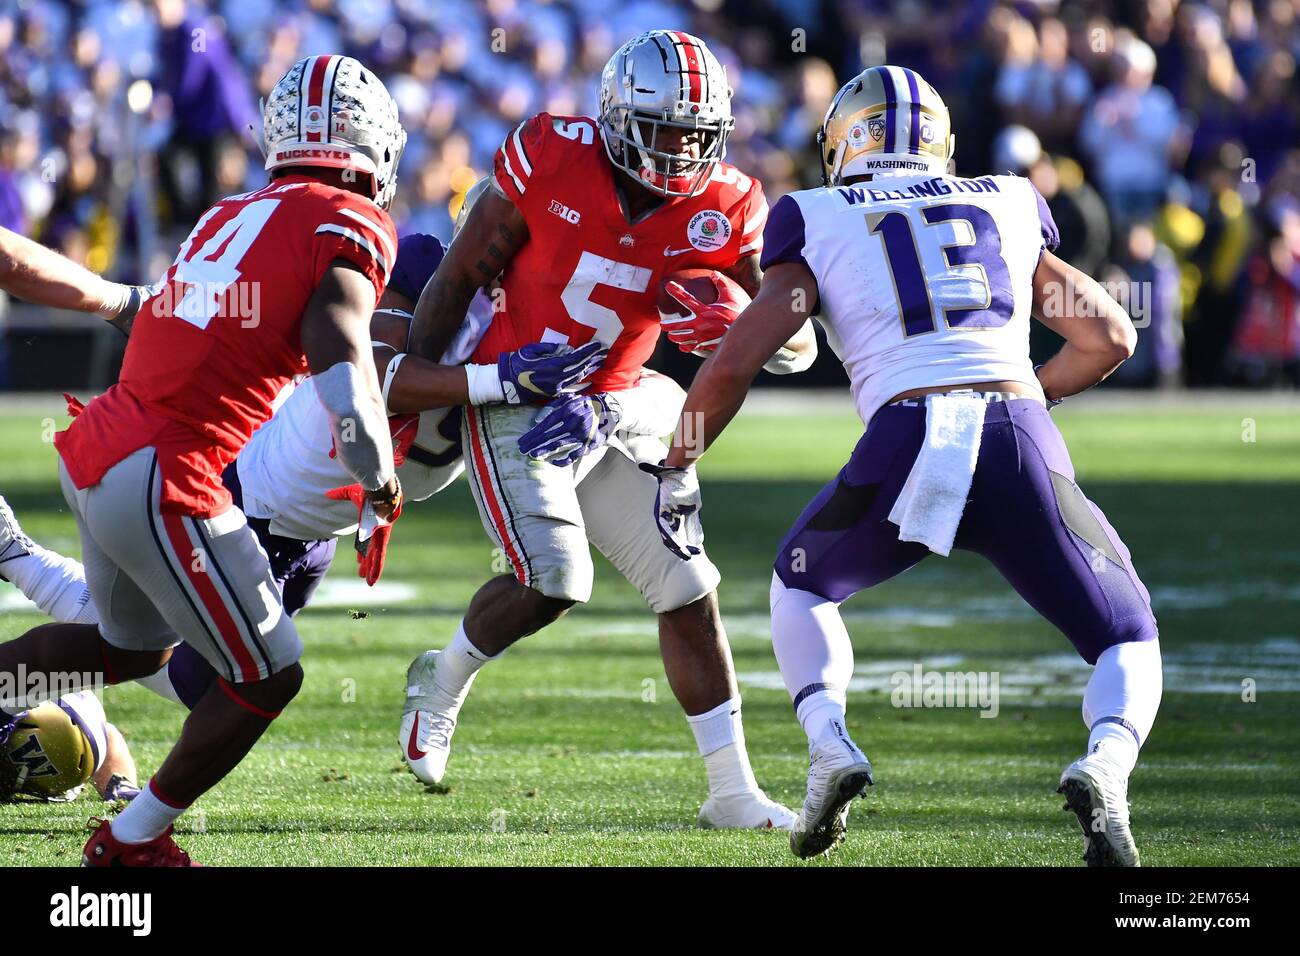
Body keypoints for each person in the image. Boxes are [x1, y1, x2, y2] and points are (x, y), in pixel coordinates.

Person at [649, 65, 1162, 863]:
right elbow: (1111, 337)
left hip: (907, 436)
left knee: (803, 584)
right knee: (1127, 634)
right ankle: (1107, 770)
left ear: (843, 142)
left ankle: (830, 745)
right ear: (940, 144)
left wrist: (676, 462)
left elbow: (732, 365)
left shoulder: (814, 213)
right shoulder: (1005, 197)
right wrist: (1028, 399)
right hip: (1017, 435)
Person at [0, 54, 411, 867]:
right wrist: (377, 471)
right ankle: (132, 841)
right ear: (374, 145)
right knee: (269, 675)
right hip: (165, 469)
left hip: (99, 446)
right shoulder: (351, 221)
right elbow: (337, 347)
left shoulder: (229, 214)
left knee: (130, 649)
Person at [400, 30, 818, 830]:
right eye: (665, 127)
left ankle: (730, 792)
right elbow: (457, 275)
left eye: (698, 131)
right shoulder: (550, 154)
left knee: (688, 586)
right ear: (621, 116)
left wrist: (741, 325)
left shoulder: (726, 205)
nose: (682, 147)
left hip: (611, 405)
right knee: (555, 579)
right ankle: (443, 677)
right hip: (515, 394)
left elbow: (798, 343)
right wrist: (415, 391)